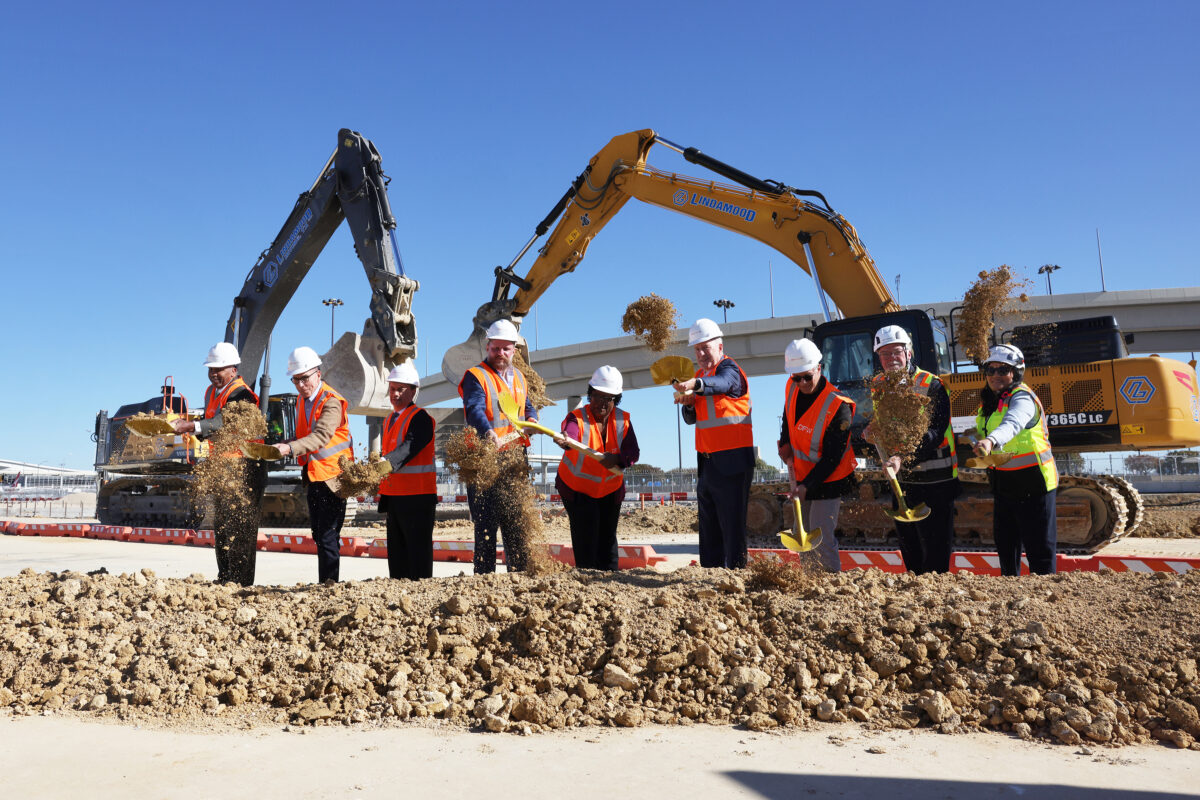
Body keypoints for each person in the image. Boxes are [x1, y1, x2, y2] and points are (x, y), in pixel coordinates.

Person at [172, 342, 267, 586]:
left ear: (233, 370)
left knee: (241, 529)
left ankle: (241, 583)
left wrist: (193, 426)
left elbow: (225, 421)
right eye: (211, 369)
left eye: (219, 369)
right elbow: (212, 423)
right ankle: (225, 578)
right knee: (223, 526)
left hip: (245, 468)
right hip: (223, 467)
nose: (214, 373)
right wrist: (199, 428)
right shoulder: (211, 392)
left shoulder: (241, 393)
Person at [869, 325, 961, 574]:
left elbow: (934, 432)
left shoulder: (932, 385)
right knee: (910, 549)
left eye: (896, 352)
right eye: (884, 354)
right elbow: (887, 422)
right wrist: (873, 428)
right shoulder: (878, 385)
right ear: (878, 357)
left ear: (909, 353)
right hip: (903, 480)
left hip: (937, 479)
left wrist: (901, 456)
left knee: (936, 550)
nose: (891, 359)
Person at [457, 319, 540, 574]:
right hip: (485, 459)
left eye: (506, 349)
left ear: (514, 350)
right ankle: (484, 580)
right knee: (485, 524)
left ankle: (519, 576)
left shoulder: (519, 377)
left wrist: (533, 419)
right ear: (488, 346)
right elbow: (474, 409)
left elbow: (527, 405)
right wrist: (488, 432)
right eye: (495, 348)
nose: (500, 354)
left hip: (514, 458)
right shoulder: (476, 376)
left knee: (515, 520)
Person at [673, 318, 754, 569]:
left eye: (705, 347)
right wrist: (688, 405)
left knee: (731, 525)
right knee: (709, 527)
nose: (700, 353)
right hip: (707, 462)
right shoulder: (700, 375)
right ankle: (711, 574)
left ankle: (737, 575)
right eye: (697, 349)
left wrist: (696, 386)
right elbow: (693, 418)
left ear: (719, 346)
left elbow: (724, 384)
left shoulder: (729, 369)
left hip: (733, 461)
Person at [971, 344, 1059, 575]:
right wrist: (972, 439)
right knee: (1006, 548)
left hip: (1034, 483)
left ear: (1016, 373)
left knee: (1039, 550)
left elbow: (1012, 423)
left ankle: (1045, 601)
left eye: (1003, 370)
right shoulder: (988, 404)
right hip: (1004, 485)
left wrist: (990, 441)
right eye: (991, 370)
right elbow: (985, 430)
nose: (995, 376)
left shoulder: (1022, 398)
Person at [272, 346, 354, 583]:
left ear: (318, 373)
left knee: (328, 535)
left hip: (333, 478)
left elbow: (321, 436)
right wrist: (288, 442)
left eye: (304, 378)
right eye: (295, 380)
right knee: (319, 534)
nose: (299, 385)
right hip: (313, 476)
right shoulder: (302, 401)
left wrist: (290, 448)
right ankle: (325, 583)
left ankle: (329, 585)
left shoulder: (331, 401)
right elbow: (304, 435)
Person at [776, 338, 854, 572]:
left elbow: (832, 457)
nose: (801, 383)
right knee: (803, 533)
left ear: (819, 368)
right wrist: (785, 443)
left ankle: (828, 588)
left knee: (821, 535)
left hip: (830, 478)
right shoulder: (792, 387)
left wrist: (807, 485)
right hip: (802, 474)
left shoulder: (838, 406)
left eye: (807, 377)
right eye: (796, 378)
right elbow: (788, 418)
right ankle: (810, 583)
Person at [553, 365, 640, 570]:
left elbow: (633, 452)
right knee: (586, 534)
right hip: (577, 489)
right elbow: (570, 434)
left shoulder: (623, 420)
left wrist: (618, 459)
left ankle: (611, 578)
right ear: (590, 394)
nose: (602, 403)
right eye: (598, 396)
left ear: (615, 400)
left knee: (608, 538)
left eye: (608, 399)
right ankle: (586, 577)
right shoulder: (577, 417)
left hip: (610, 490)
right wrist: (566, 441)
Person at [378, 361, 437, 580]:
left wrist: (385, 463)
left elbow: (410, 446)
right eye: (393, 389)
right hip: (395, 497)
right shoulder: (389, 420)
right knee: (397, 556)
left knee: (417, 556)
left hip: (417, 497)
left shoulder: (420, 417)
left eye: (401, 389)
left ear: (413, 391)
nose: (395, 394)